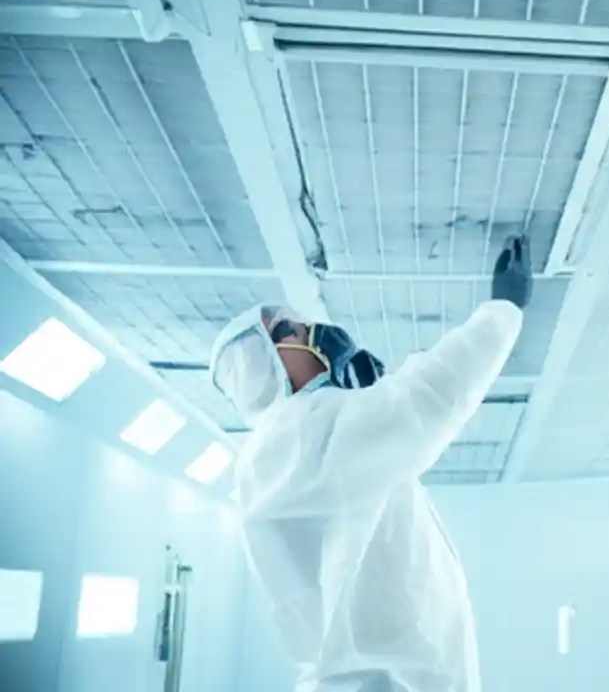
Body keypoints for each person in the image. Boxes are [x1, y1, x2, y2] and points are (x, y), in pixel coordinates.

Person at [209, 236, 533, 692]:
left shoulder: (288, 449)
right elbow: (431, 395)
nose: (312, 333)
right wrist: (504, 309)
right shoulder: (301, 434)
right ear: (259, 367)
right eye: (290, 332)